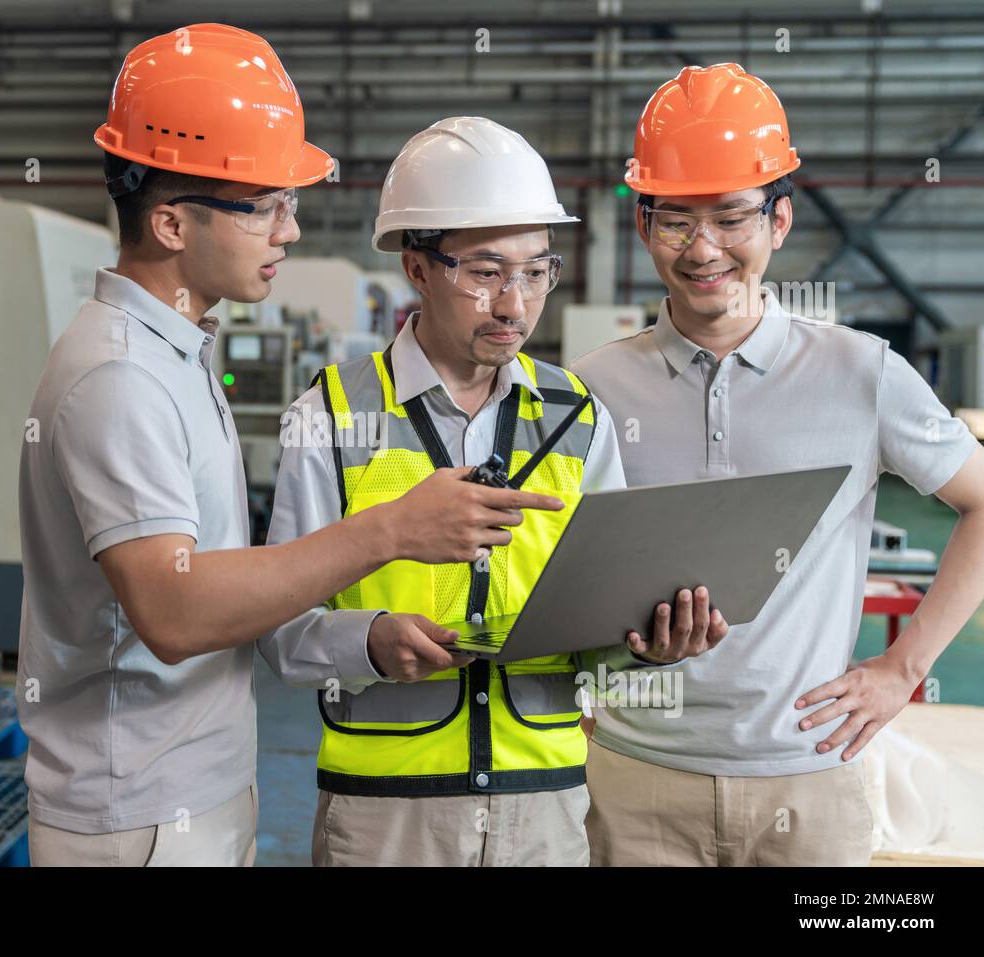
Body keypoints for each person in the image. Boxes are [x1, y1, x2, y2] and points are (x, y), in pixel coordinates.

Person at [17, 29, 563, 868]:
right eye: (264, 205)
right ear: (169, 221)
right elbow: (172, 611)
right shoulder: (119, 379)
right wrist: (391, 532)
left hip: (183, 789)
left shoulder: (174, 355)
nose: (291, 229)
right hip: (139, 808)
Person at [261, 117, 728, 867]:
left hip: (545, 809)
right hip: (386, 818)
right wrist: (369, 641)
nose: (514, 305)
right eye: (484, 273)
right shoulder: (335, 416)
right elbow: (277, 624)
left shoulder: (576, 416)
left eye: (536, 271)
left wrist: (653, 647)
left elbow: (601, 627)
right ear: (417, 267)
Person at [573, 62, 984, 866]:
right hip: (633, 775)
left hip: (811, 777)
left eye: (731, 217)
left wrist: (904, 667)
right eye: (674, 221)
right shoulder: (591, 388)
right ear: (641, 223)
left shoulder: (862, 375)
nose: (703, 249)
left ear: (780, 220)